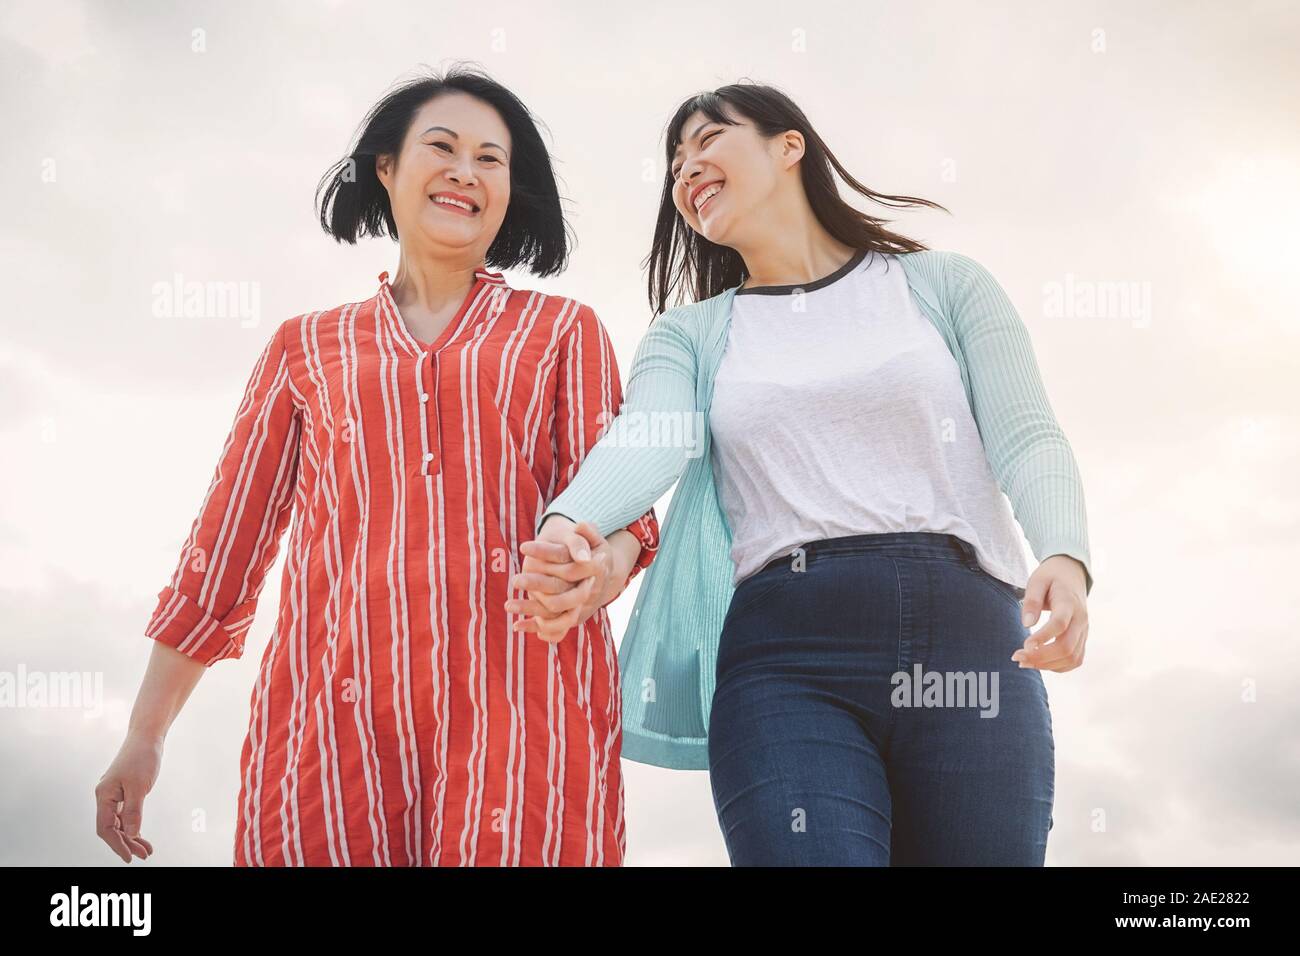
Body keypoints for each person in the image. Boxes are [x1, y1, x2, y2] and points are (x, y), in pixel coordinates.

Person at [95, 67, 658, 867]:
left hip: (526, 717)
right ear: (386, 169)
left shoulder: (565, 333)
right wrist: (144, 735)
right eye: (443, 146)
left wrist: (601, 570)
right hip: (329, 731)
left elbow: (624, 506)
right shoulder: (305, 348)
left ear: (509, 190)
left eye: (491, 159)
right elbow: (222, 554)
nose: (466, 170)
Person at [518, 82, 1092, 865]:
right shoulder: (691, 335)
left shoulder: (945, 285)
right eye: (675, 165)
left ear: (790, 146)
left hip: (969, 648)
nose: (686, 171)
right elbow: (646, 440)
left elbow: (1026, 435)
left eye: (707, 142)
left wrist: (1064, 552)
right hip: (786, 663)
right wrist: (565, 526)